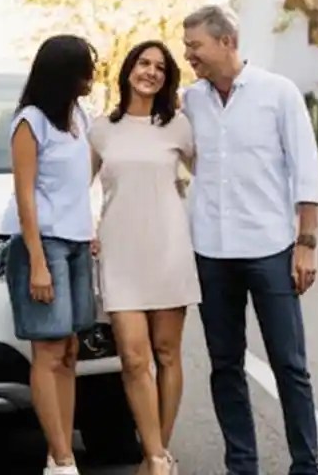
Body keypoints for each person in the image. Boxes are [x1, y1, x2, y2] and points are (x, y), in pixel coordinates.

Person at [179, 5, 318, 475]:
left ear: (226, 42)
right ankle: (242, 465)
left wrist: (306, 242)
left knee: (290, 365)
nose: (189, 54)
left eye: (195, 45)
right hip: (211, 254)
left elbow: (305, 168)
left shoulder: (277, 93)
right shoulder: (190, 101)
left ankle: (306, 465)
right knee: (225, 367)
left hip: (270, 249)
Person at [88, 40, 197, 475]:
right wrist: (85, 231)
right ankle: (154, 454)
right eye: (143, 63)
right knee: (134, 358)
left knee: (167, 354)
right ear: (128, 69)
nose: (150, 71)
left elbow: (210, 179)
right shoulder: (101, 129)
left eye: (159, 67)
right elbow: (78, 189)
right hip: (120, 253)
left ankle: (157, 455)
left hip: (169, 249)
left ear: (167, 78)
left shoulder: (179, 126)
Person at [2, 33, 98, 475]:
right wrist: (38, 262)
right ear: (64, 73)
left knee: (71, 350)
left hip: (78, 243)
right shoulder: (31, 121)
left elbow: (86, 179)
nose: (91, 77)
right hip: (43, 244)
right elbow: (25, 196)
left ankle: (59, 454)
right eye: (84, 69)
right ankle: (61, 459)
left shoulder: (79, 116)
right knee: (48, 351)